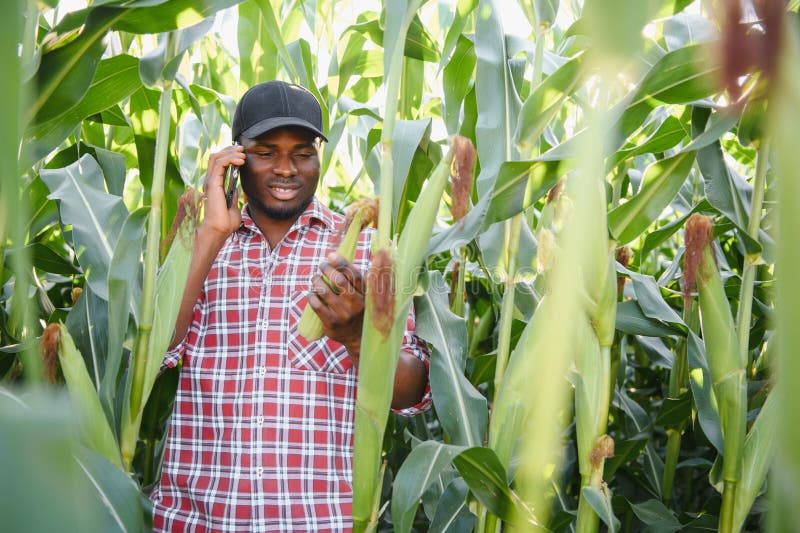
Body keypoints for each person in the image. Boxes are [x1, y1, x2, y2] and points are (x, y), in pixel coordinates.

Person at [150, 80, 431, 532]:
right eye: (265, 152)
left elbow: (412, 392)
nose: (286, 169)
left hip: (318, 520)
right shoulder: (200, 247)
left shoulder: (364, 251)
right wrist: (210, 233)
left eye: (302, 153)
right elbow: (152, 355)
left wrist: (360, 338)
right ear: (235, 157)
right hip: (198, 519)